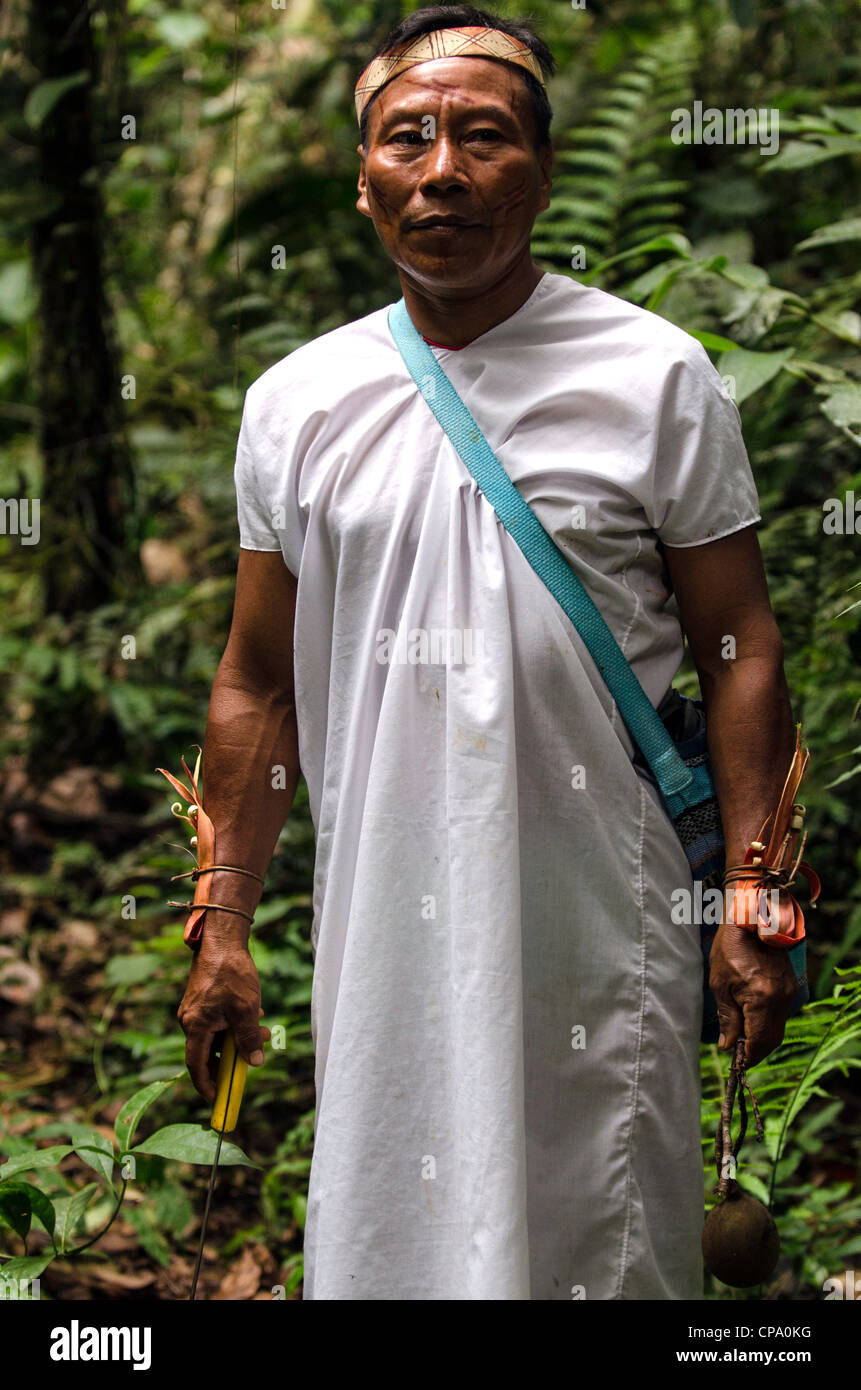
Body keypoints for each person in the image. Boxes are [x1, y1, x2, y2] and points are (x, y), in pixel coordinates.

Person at [176, 4, 801, 1300]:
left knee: (595, 1225)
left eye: (481, 134)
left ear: (543, 167)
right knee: (392, 1212)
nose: (442, 168)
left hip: (597, 911)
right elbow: (259, 679)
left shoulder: (655, 376)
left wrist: (751, 891)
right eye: (406, 137)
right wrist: (220, 918)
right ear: (363, 179)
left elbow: (737, 644)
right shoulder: (297, 402)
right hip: (380, 914)